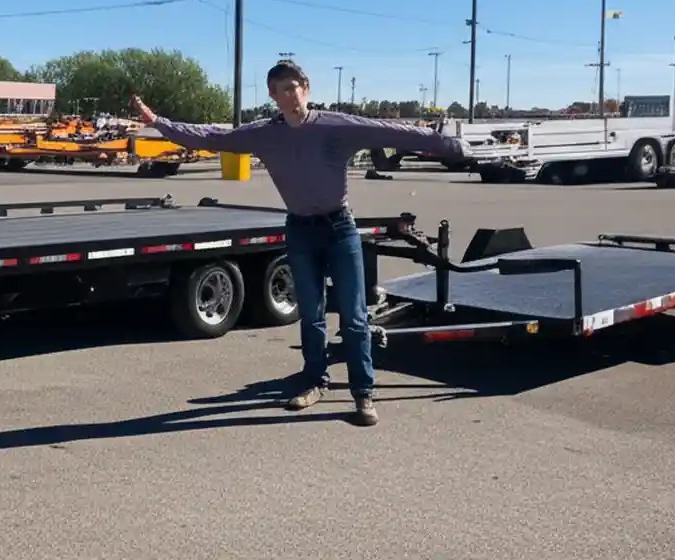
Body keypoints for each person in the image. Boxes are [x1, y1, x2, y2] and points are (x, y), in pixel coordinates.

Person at [131, 59, 468, 426]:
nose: (291, 96)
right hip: (301, 231)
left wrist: (447, 143)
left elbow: (389, 132)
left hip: (340, 229)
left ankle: (363, 393)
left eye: (295, 87)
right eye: (282, 90)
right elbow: (212, 137)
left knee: (354, 318)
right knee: (311, 315)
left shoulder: (335, 127)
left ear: (305, 88)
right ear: (273, 96)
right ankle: (313, 381)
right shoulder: (263, 133)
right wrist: (158, 123)